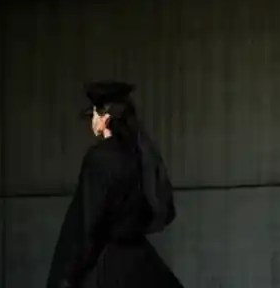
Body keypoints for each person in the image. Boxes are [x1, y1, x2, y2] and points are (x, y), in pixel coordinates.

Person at [47, 81, 182, 288]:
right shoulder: (140, 155)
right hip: (140, 262)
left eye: (94, 114)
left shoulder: (99, 159)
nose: (92, 120)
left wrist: (64, 278)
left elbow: (85, 224)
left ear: (105, 118)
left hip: (107, 266)